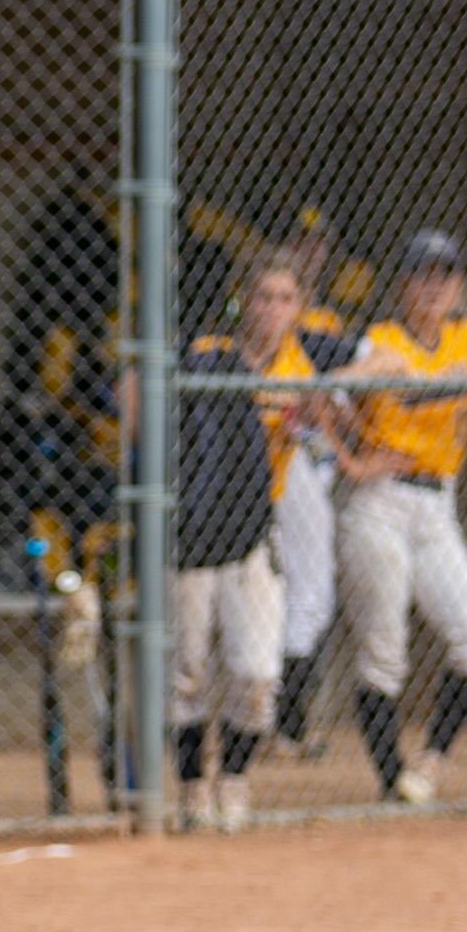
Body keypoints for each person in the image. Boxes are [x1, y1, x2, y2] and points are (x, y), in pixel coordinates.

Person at [167, 252, 350, 829]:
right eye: (263, 295)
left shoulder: (300, 367)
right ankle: (194, 787)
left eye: (285, 298)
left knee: (257, 672)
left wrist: (318, 402)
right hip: (194, 530)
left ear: (300, 308)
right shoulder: (207, 356)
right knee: (188, 668)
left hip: (254, 527)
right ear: (242, 299)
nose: (272, 309)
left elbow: (379, 368)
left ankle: (236, 778)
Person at [334, 231, 467, 804]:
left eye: (445, 274)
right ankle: (393, 781)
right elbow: (323, 397)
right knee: (385, 652)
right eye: (422, 274)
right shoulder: (381, 340)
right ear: (403, 285)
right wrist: (353, 464)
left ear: (459, 284)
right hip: (380, 504)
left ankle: (430, 762)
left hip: (439, 506)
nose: (434, 286)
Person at [272, 215, 353, 752]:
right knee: (305, 592)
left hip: (316, 462)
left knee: (308, 595)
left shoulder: (329, 324)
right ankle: (279, 717)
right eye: (302, 242)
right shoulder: (271, 318)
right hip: (284, 461)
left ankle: (285, 719)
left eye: (321, 243)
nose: (313, 251)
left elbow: (340, 410)